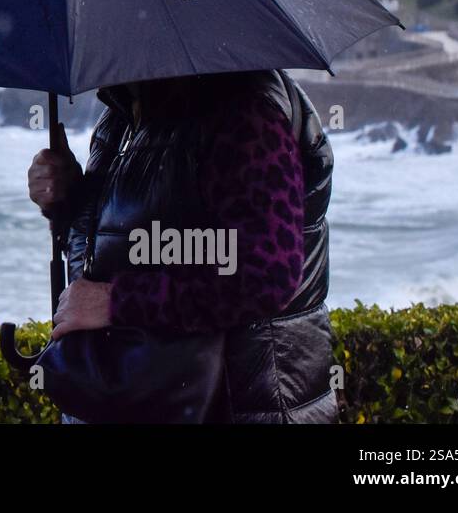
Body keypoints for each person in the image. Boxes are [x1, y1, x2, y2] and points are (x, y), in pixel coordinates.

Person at [27, 69, 338, 423]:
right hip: (144, 397)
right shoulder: (121, 119)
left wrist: (115, 301)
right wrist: (68, 199)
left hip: (238, 403)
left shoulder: (246, 115)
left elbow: (266, 277)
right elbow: (113, 248)